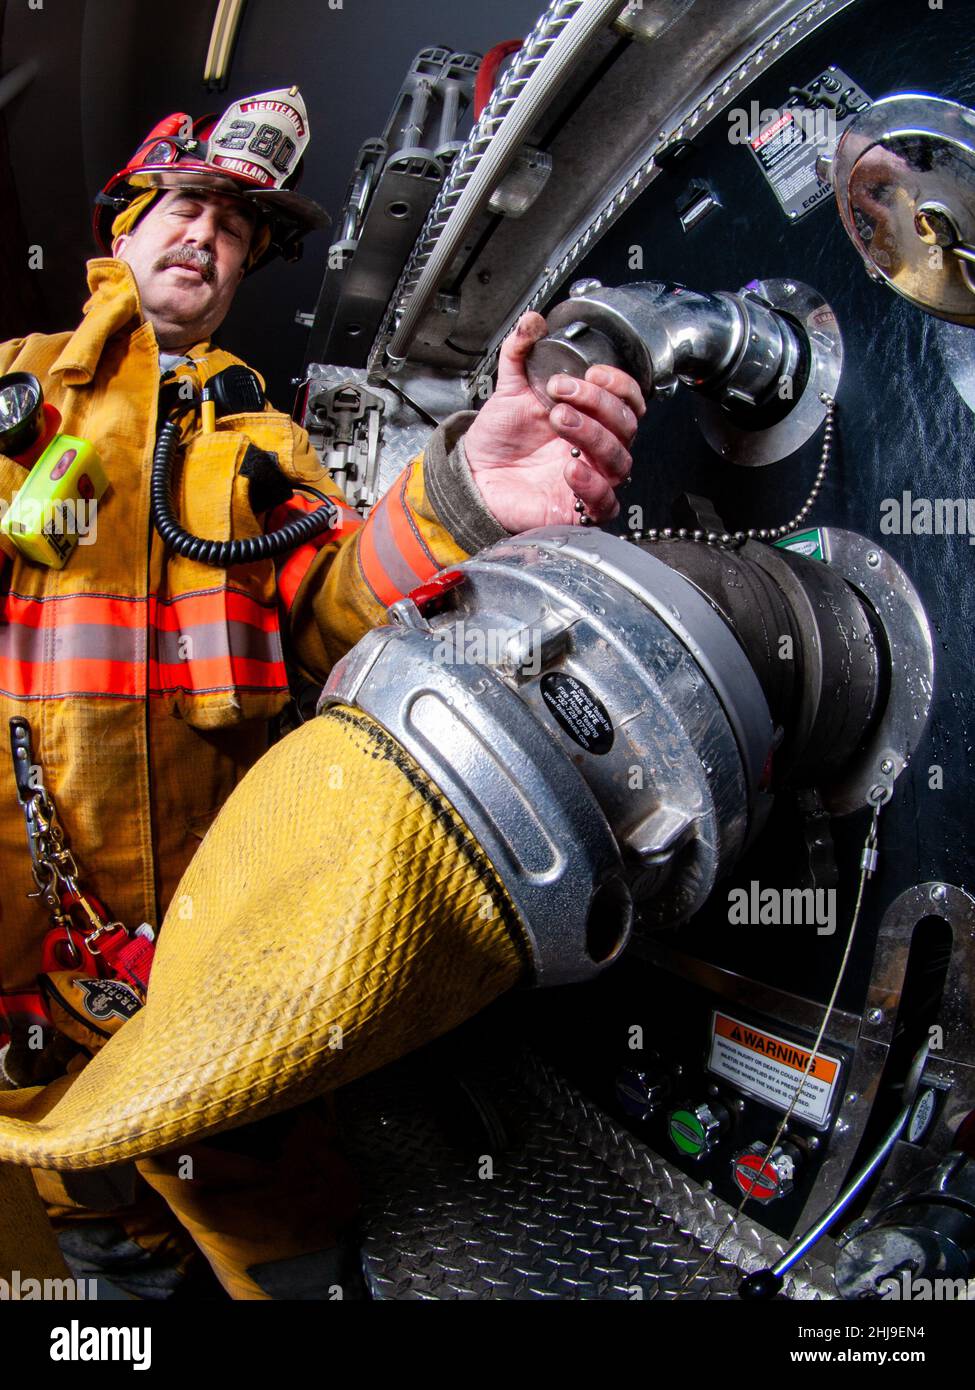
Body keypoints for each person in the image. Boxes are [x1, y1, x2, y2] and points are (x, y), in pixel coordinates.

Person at [0, 86, 643, 1298]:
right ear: (121, 225)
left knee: (280, 1235)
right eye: (186, 208)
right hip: (26, 959)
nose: (208, 239)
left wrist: (464, 497)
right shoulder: (11, 396)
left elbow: (337, 603)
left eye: (235, 232)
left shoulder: (262, 443)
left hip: (219, 955)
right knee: (95, 1227)